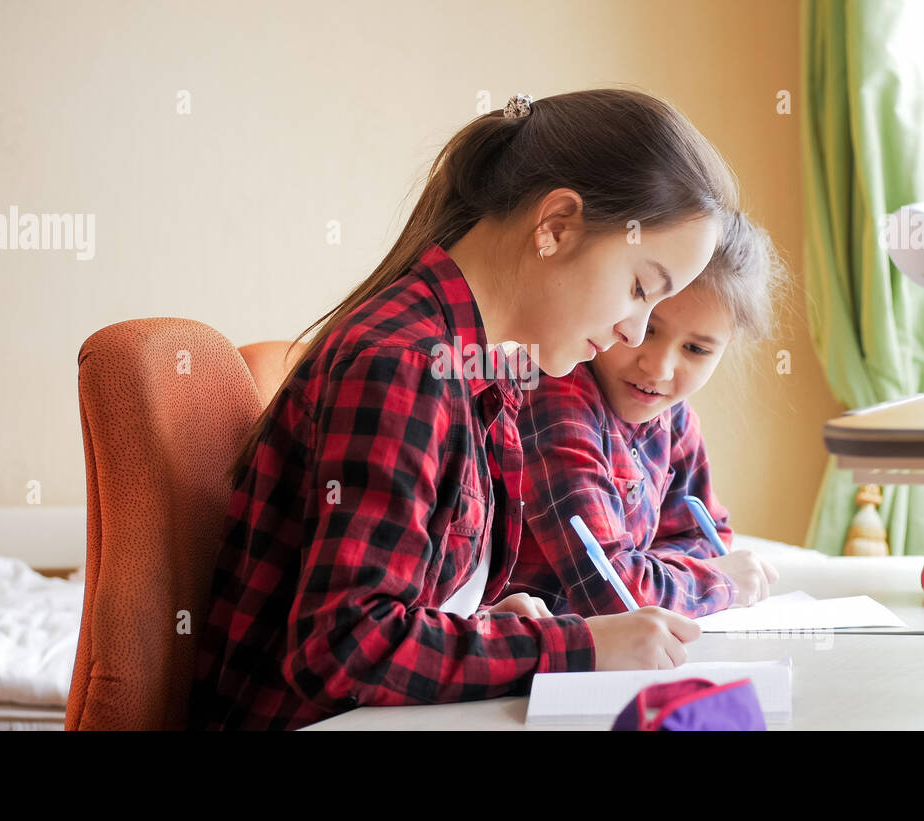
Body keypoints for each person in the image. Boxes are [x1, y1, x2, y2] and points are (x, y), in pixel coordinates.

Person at [188, 89, 739, 730]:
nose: (635, 333)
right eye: (641, 289)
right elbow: (342, 646)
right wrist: (580, 646)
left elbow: (395, 609)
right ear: (556, 226)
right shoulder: (404, 364)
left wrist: (471, 627)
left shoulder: (478, 367)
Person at [509, 210, 787, 617]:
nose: (658, 369)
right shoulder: (555, 392)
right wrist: (719, 580)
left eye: (696, 349)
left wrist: (662, 573)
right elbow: (613, 594)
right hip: (543, 657)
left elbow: (706, 536)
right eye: (649, 328)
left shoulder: (675, 420)